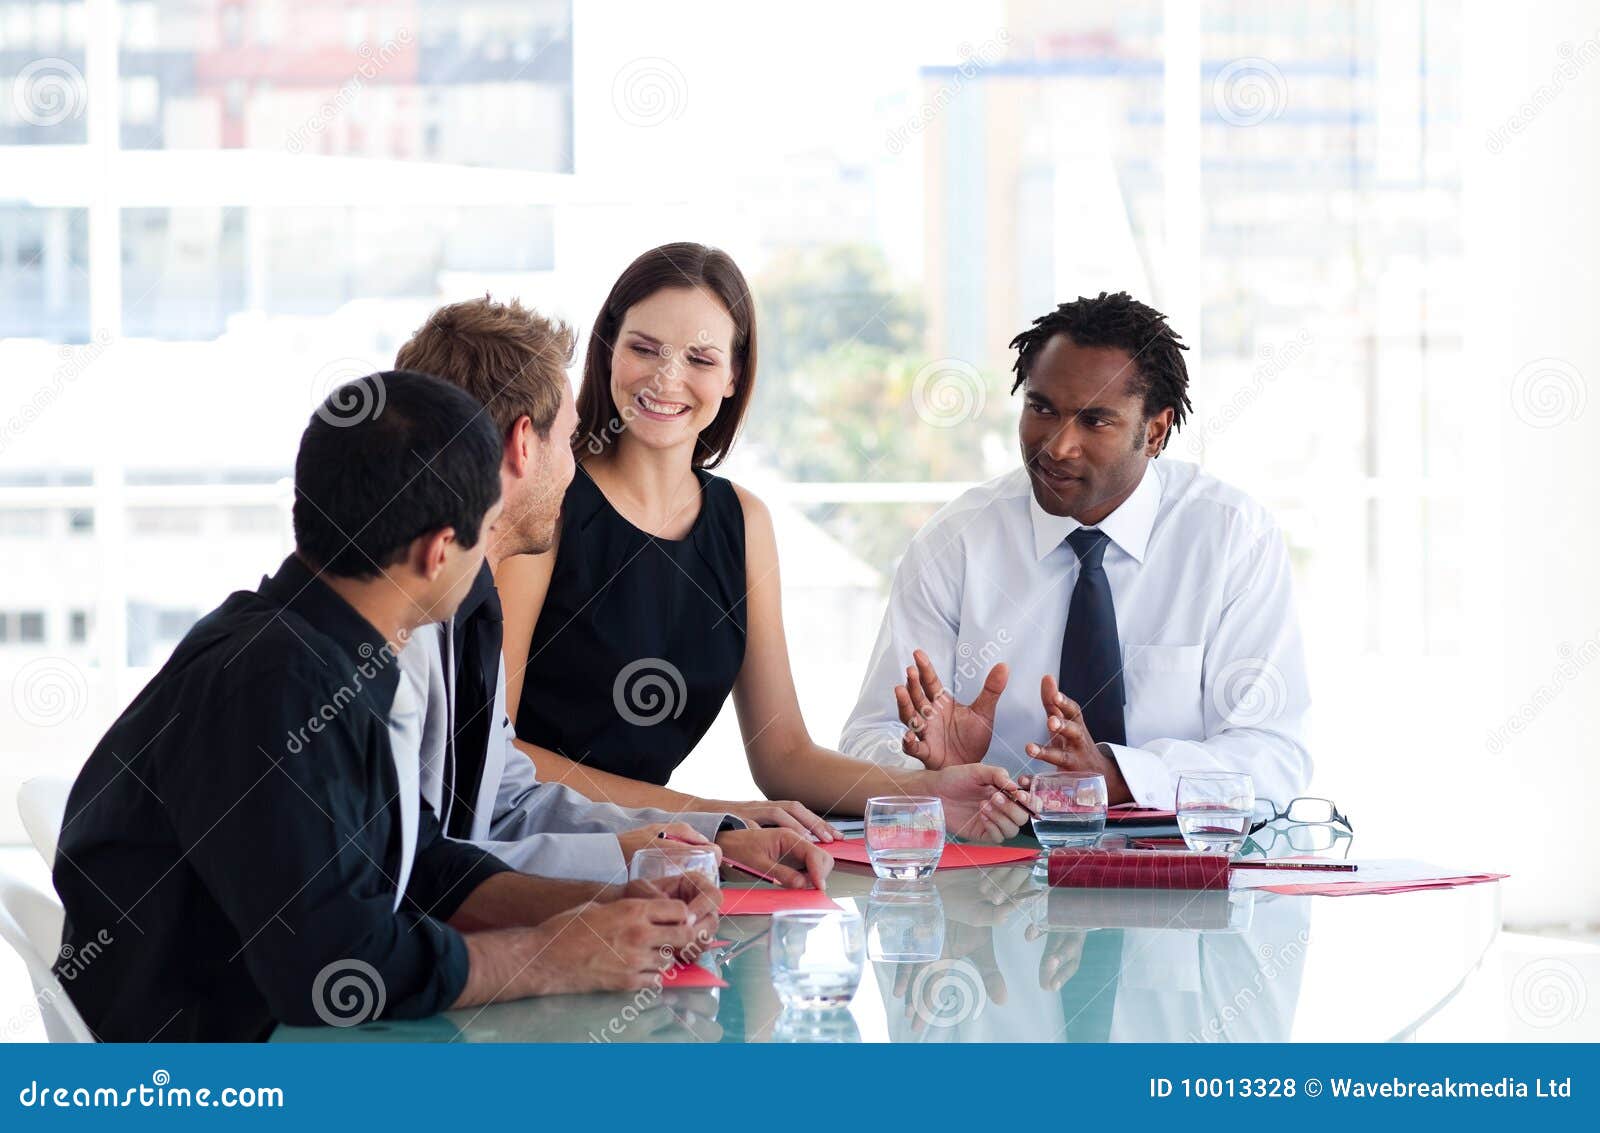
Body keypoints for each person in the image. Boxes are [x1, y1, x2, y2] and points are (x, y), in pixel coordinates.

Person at [51, 371, 719, 1042]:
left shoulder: (314, 649)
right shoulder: (278, 683)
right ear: (438, 552)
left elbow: (419, 864)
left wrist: (607, 907)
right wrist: (551, 958)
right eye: (486, 531)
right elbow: (335, 967)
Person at [497, 243, 1029, 842]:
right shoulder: (546, 503)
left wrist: (929, 790)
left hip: (651, 853)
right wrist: (705, 813)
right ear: (608, 351)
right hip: (528, 847)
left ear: (732, 376)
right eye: (643, 349)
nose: (666, 378)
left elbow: (785, 756)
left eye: (700, 358)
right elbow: (499, 753)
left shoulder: (742, 521)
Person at [390, 296, 830, 888]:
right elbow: (412, 876)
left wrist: (702, 837)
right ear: (525, 446)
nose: (576, 467)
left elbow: (507, 797)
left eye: (700, 357)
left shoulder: (466, 606)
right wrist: (575, 920)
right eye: (569, 440)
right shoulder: (397, 637)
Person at [840, 291, 1311, 810]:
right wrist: (934, 772)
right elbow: (869, 737)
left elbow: (1273, 753)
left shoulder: (1232, 537)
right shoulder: (957, 542)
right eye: (1041, 409)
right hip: (996, 849)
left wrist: (1122, 777)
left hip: (1179, 853)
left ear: (1154, 432)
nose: (1057, 446)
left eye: (1095, 421)